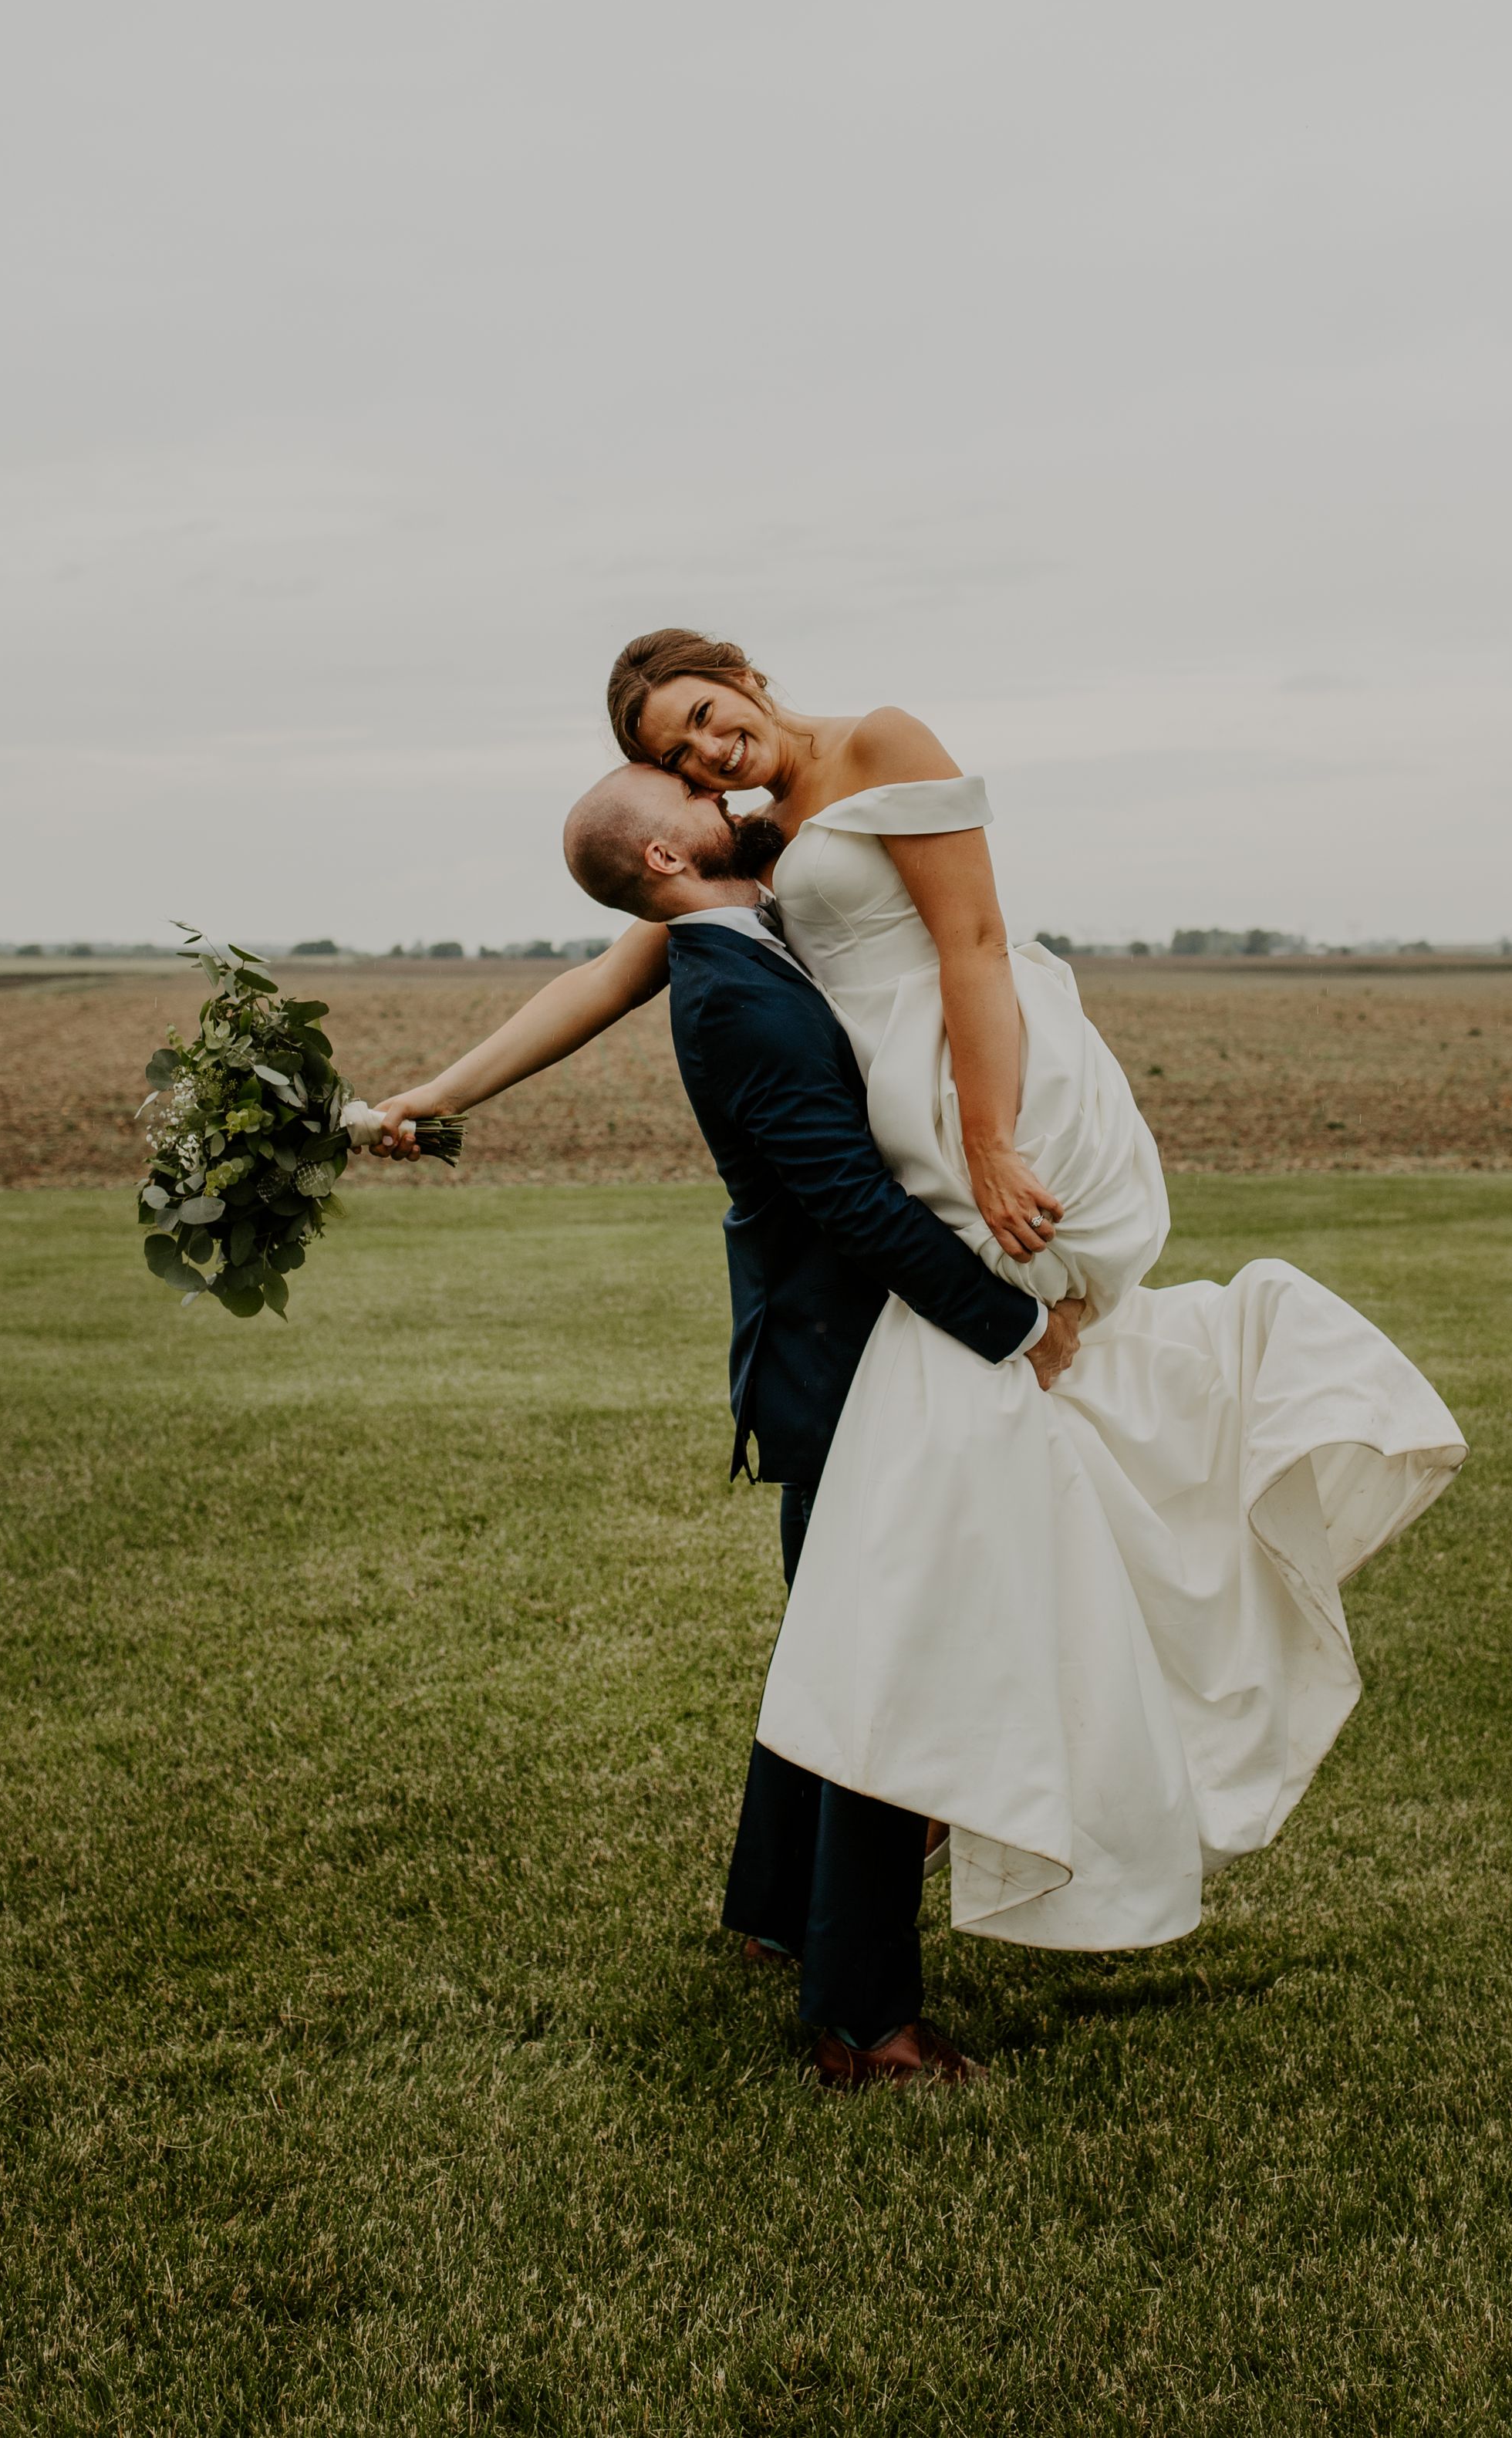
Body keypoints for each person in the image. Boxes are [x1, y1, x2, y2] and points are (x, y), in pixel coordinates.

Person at [373, 630, 1467, 1970]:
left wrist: (993, 1138)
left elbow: (979, 942)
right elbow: (608, 975)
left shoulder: (886, 741)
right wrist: (433, 1096)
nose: (710, 755)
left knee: (996, 1425)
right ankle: (891, 1805)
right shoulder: (748, 846)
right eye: (677, 756)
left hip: (978, 1078)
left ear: (744, 674)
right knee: (986, 1450)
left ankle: (927, 1782)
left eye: (709, 719)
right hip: (899, 1119)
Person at [381, 764, 1085, 2088]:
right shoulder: (738, 997)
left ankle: (775, 1912)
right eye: (689, 785)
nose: (723, 787)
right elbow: (853, 1210)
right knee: (886, 1667)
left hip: (818, 1353)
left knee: (835, 1629)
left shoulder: (751, 927)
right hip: (834, 1361)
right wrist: (1015, 1328)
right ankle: (866, 2026)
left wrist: (433, 1096)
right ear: (662, 855)